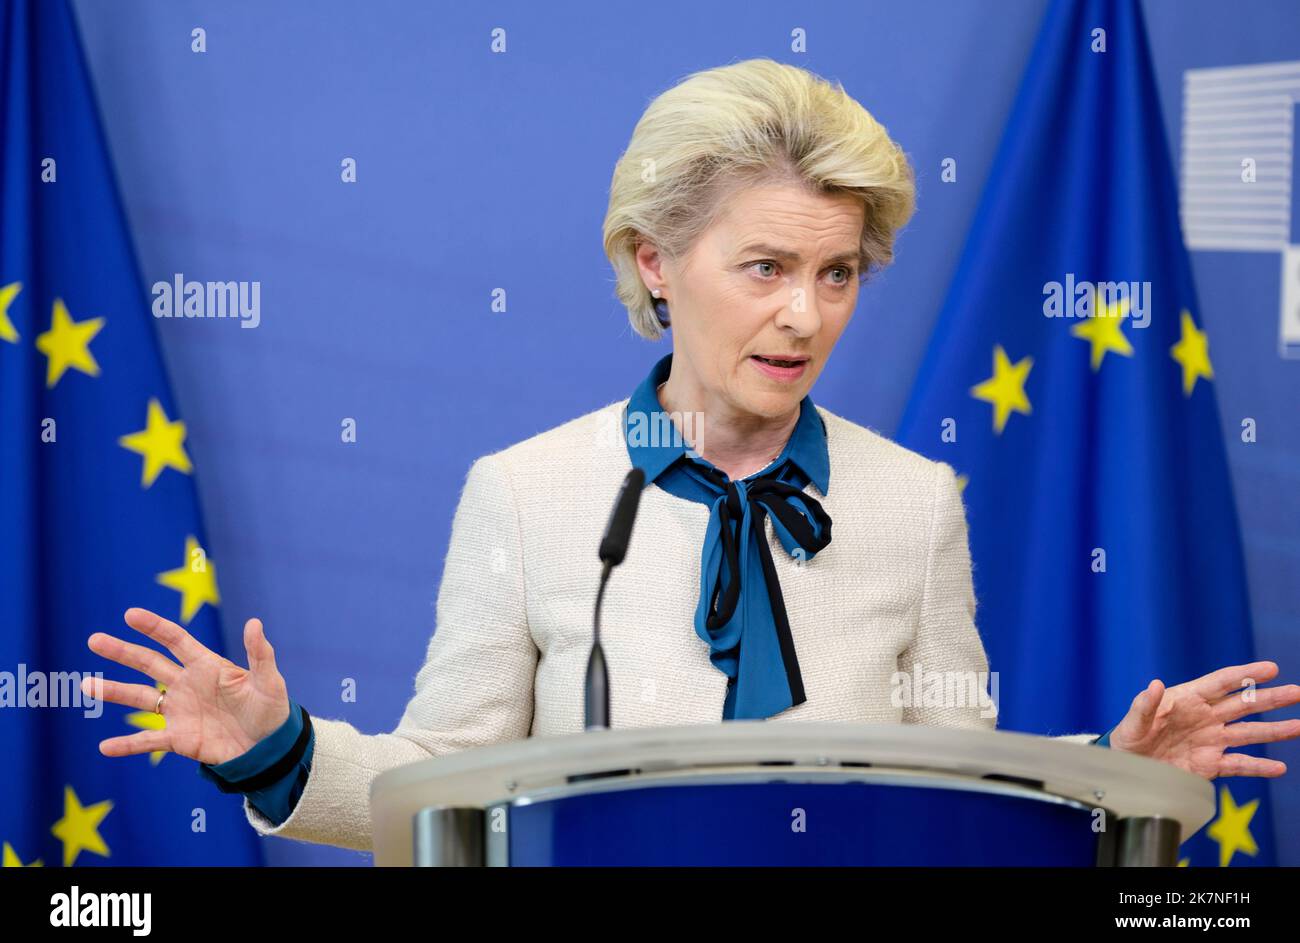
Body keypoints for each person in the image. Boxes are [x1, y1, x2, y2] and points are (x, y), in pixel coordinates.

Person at [82, 58, 1300, 854]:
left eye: (837, 275)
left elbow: (952, 779)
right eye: (764, 267)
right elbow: (443, 784)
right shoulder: (529, 491)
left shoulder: (914, 502)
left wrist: (1105, 770)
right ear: (655, 263)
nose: (805, 316)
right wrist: (277, 744)